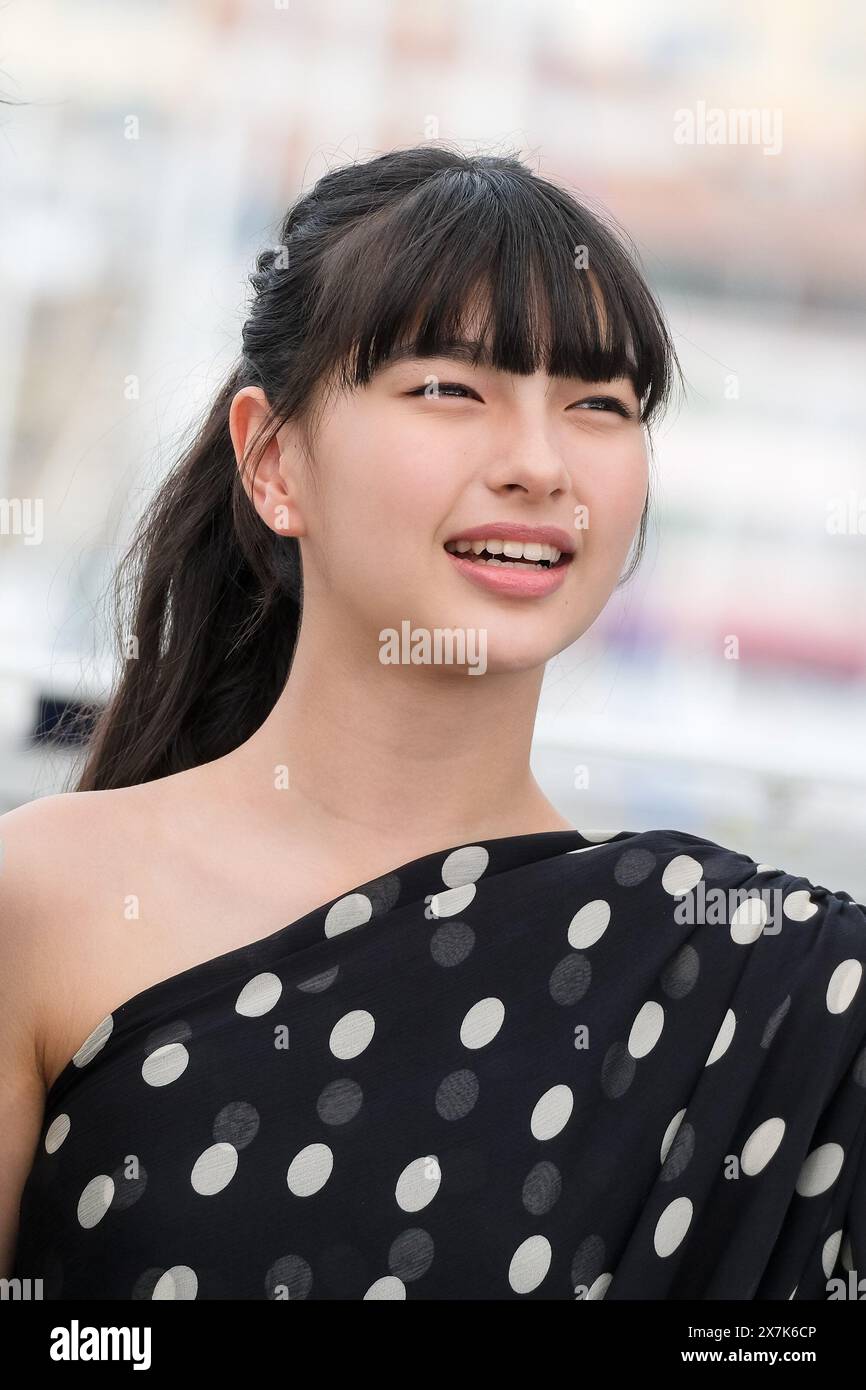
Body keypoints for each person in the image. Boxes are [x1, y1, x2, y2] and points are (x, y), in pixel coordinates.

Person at [2, 145, 864, 1301]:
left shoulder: (763, 982)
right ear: (272, 460)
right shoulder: (45, 899)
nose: (538, 463)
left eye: (598, 405)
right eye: (449, 389)